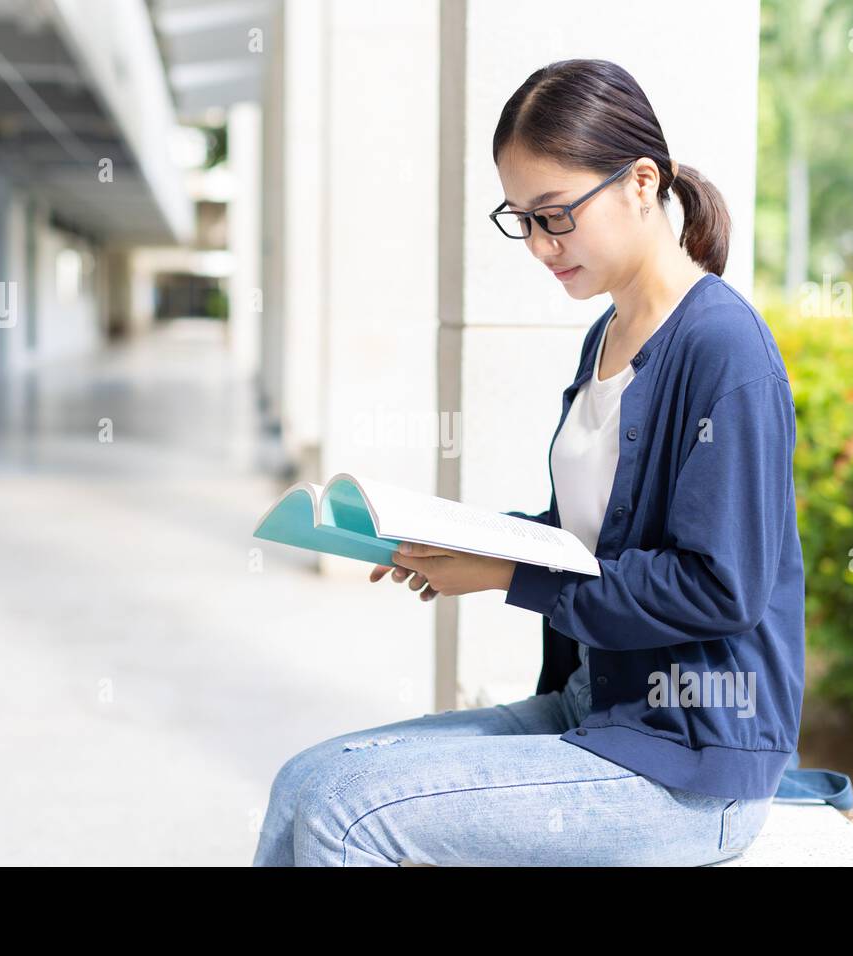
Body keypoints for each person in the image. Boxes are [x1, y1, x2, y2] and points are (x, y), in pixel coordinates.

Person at [252, 58, 803, 867]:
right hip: (595, 704)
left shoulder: (723, 348)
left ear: (640, 183)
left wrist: (509, 576)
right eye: (522, 220)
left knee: (348, 812)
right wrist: (458, 543)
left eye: (556, 215)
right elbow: (585, 536)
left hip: (689, 762)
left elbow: (719, 586)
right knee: (307, 779)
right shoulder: (608, 335)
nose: (541, 246)